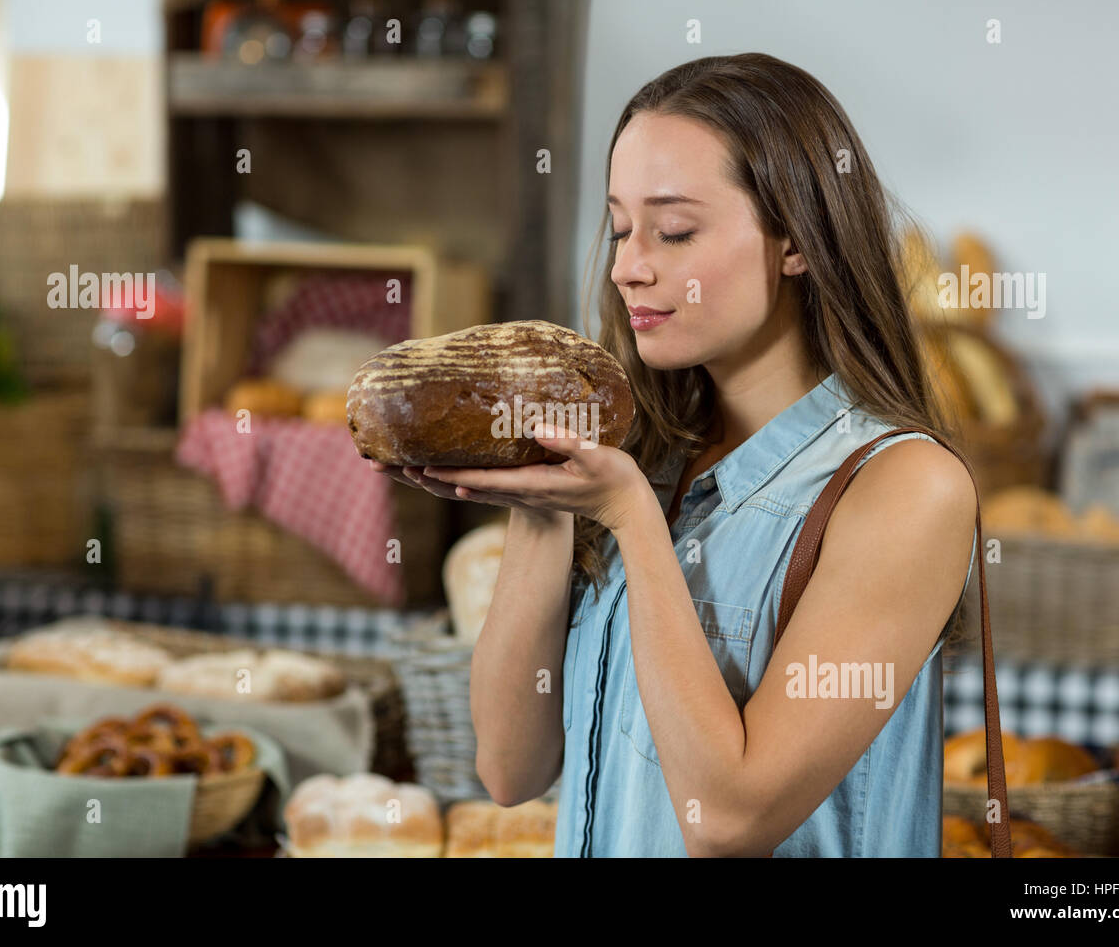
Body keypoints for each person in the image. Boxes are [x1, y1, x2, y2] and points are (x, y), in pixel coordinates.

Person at [370, 53, 978, 857]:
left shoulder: (904, 487)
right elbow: (510, 767)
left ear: (795, 241)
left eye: (676, 230)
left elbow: (729, 820)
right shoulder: (640, 458)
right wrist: (541, 508)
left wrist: (630, 521)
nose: (628, 266)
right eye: (621, 228)